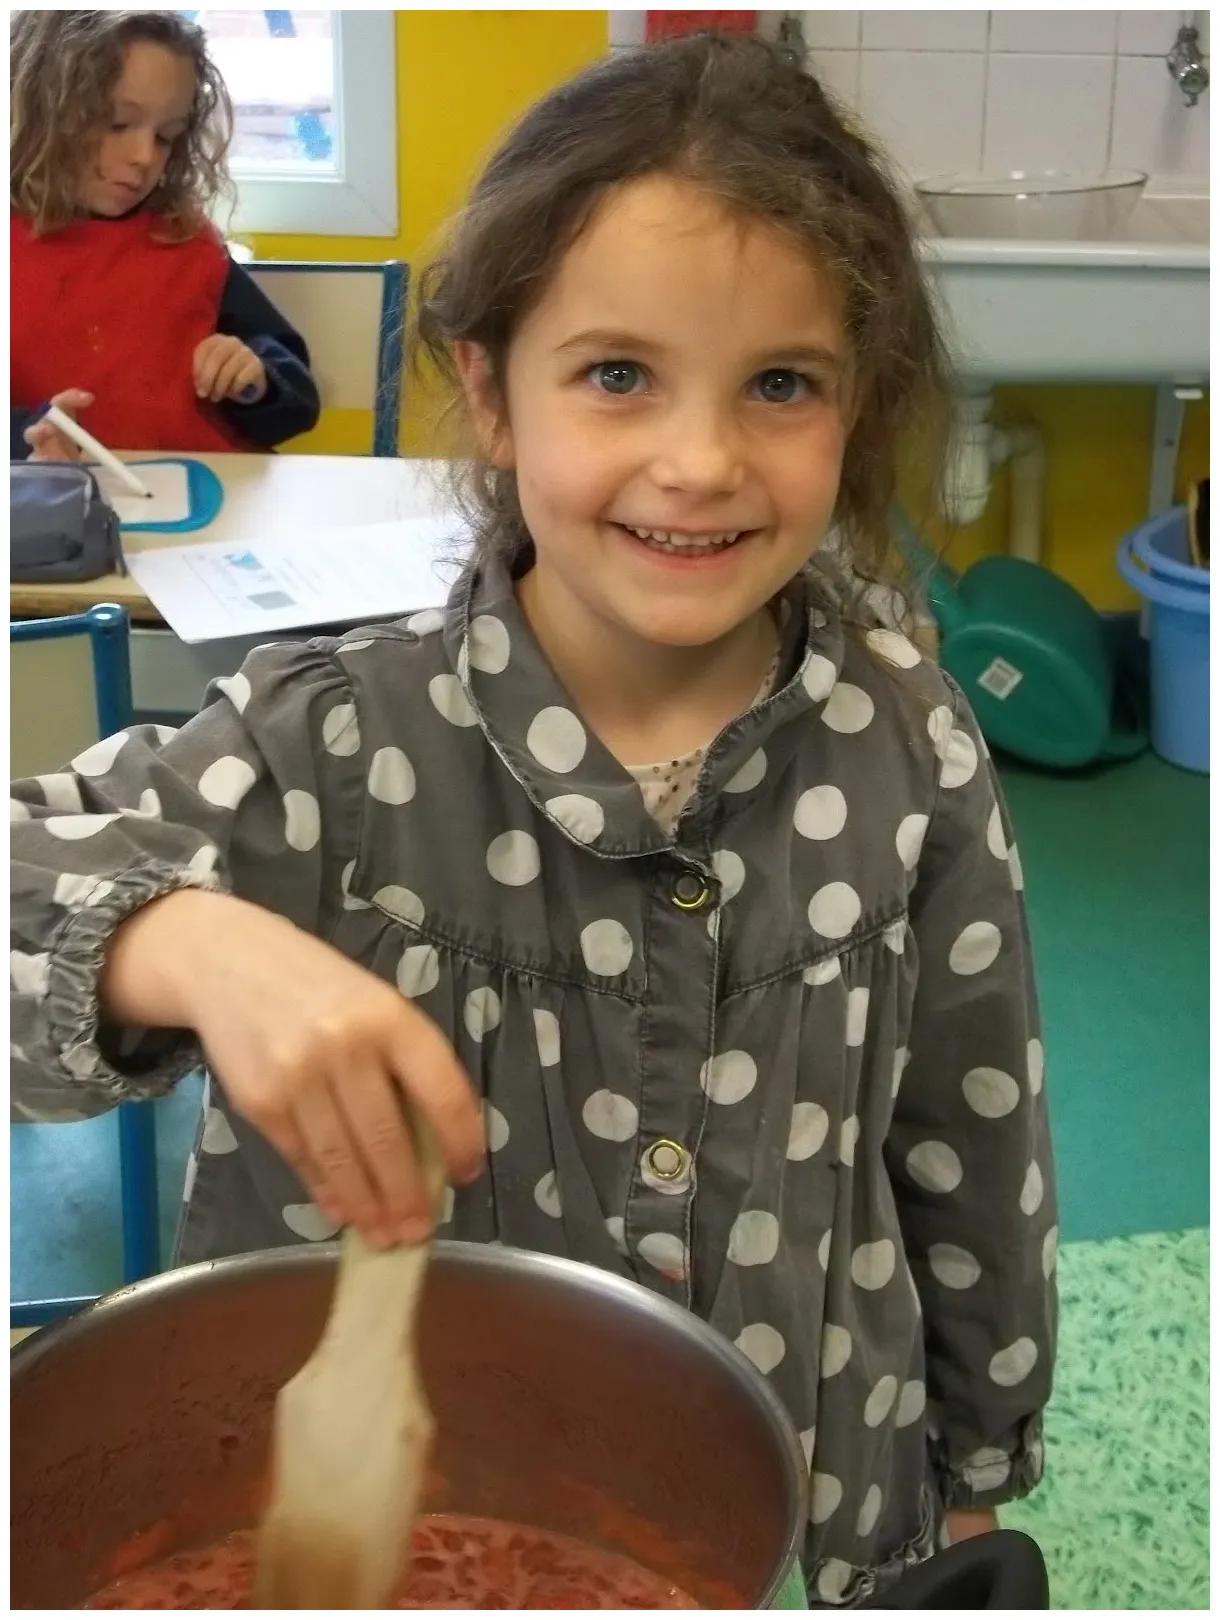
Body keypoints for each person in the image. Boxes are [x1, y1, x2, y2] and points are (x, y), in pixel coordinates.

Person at [11, 34, 1056, 1606]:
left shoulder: (912, 746)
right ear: (494, 393)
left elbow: (977, 1143)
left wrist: (975, 1474)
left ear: (859, 404)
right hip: (387, 1523)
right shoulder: (331, 746)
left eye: (781, 384)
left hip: (813, 1484)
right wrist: (183, 941)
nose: (699, 462)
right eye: (617, 375)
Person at [9, 10, 320, 463]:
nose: (144, 156)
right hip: (55, 498)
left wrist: (253, 382)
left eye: (166, 137)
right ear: (37, 109)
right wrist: (28, 441)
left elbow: (296, 402)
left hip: (209, 492)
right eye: (117, 123)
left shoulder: (184, 240)